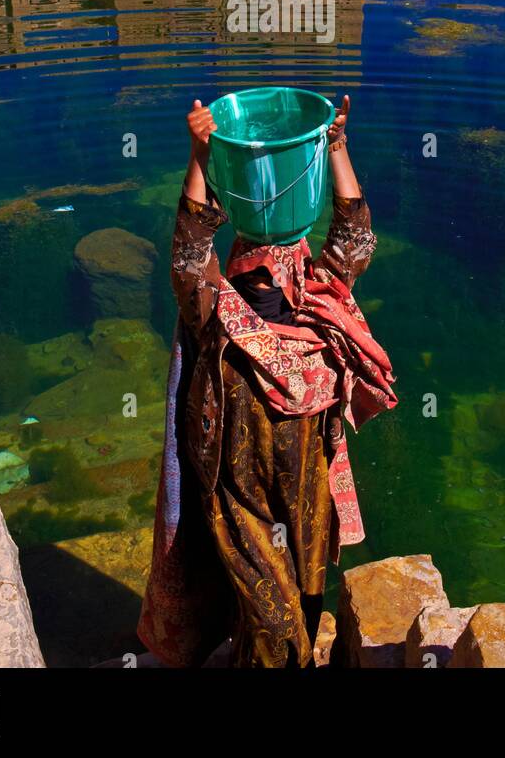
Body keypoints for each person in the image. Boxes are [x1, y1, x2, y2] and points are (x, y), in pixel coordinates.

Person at [137, 94, 397, 668]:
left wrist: (334, 146)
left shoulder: (322, 307)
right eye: (254, 267)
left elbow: (354, 236)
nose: (264, 277)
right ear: (236, 267)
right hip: (238, 499)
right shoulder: (216, 317)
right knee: (271, 616)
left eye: (273, 267)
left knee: (302, 601)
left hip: (304, 498)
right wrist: (201, 156)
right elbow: (188, 254)